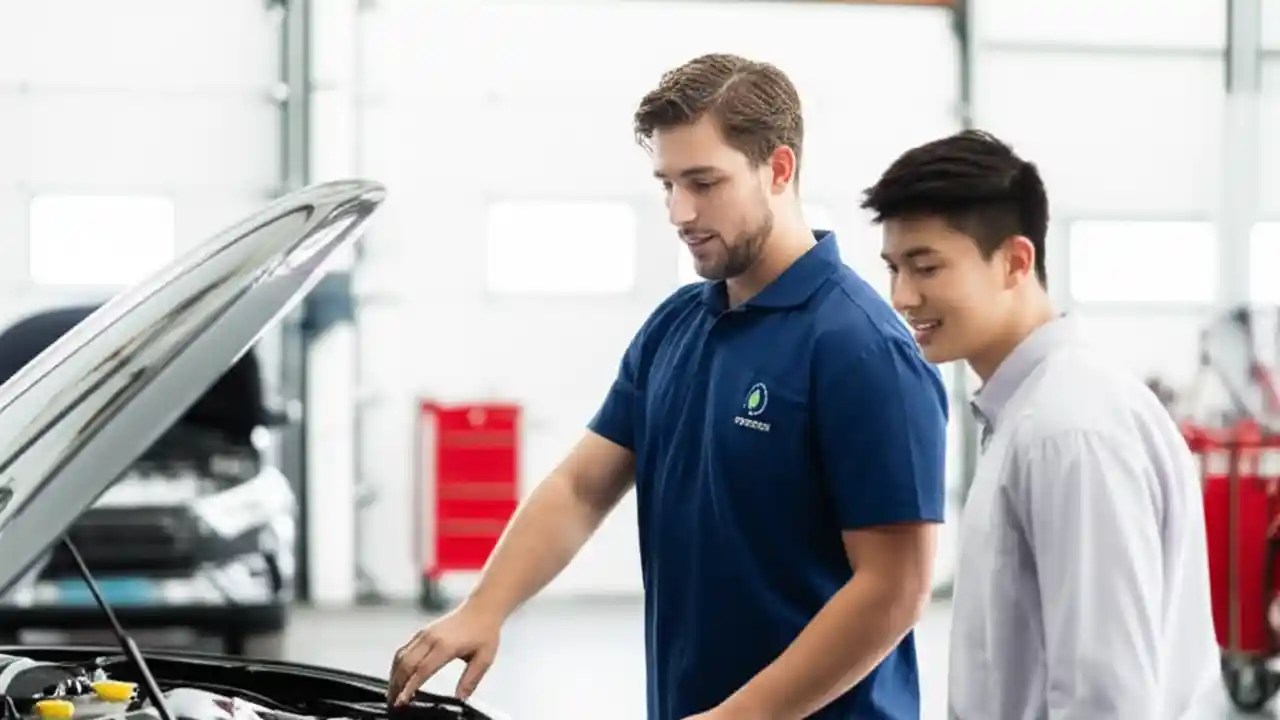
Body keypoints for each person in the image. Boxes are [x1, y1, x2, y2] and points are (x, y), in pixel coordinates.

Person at [387, 53, 949, 720]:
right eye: (667, 184)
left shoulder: (860, 348)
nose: (680, 212)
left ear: (778, 169)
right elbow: (581, 486)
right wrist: (485, 607)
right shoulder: (676, 326)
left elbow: (895, 588)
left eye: (704, 182)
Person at [861, 129, 1218, 719]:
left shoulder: (1069, 428)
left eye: (926, 267)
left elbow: (1104, 694)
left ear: (1015, 262)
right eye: (894, 268)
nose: (902, 296)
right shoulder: (1032, 412)